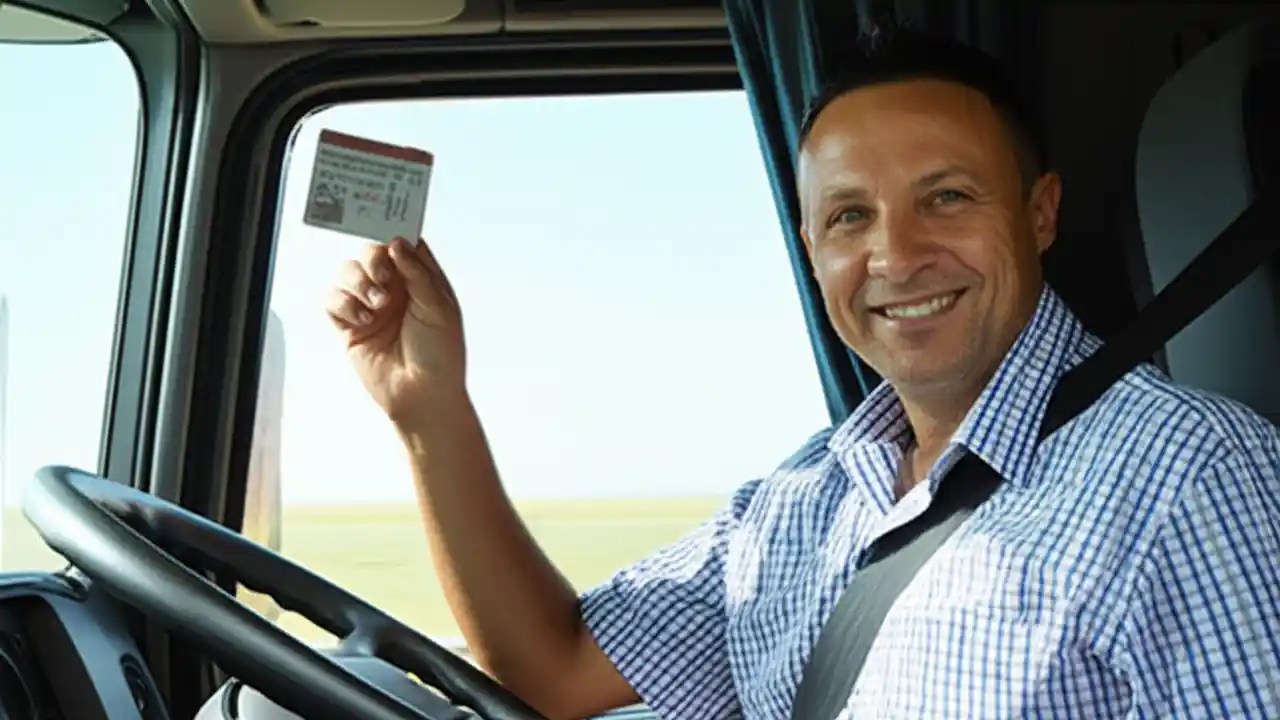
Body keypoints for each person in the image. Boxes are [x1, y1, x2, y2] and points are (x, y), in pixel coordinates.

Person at [324, 25, 1280, 720]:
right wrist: (428, 410)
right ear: (811, 250)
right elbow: (554, 669)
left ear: (1038, 213)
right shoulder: (802, 501)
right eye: (849, 218)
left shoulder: (1197, 478)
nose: (896, 258)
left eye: (946, 198)